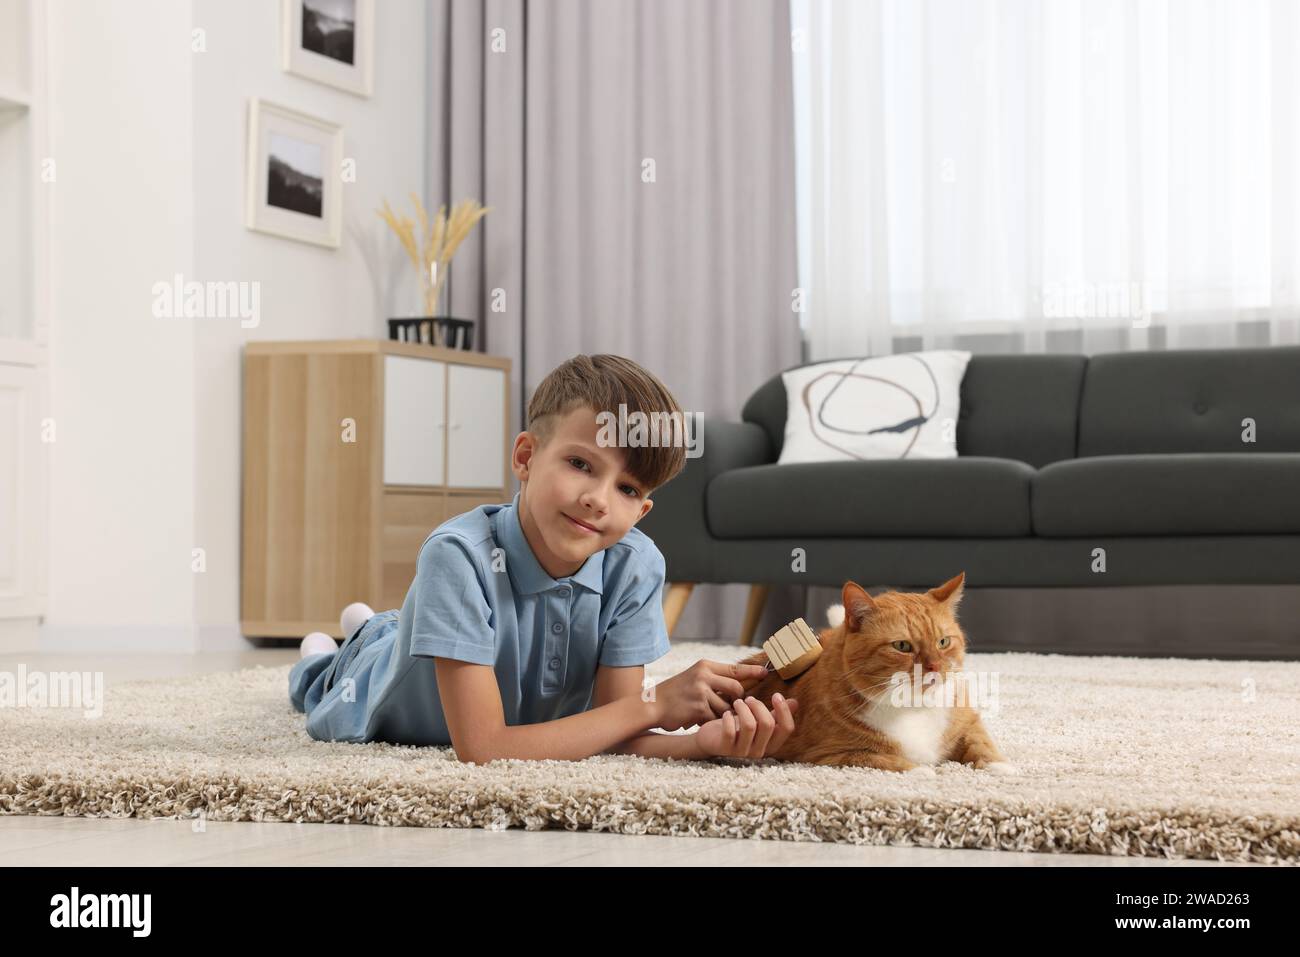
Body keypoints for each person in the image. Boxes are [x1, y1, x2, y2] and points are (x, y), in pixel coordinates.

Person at [289, 354, 798, 762]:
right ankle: (336, 647)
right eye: (580, 464)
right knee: (332, 671)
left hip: (445, 634)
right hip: (380, 684)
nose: (598, 499)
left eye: (626, 488)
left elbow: (613, 729)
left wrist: (699, 745)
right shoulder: (457, 557)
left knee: (394, 625)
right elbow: (483, 749)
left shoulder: (637, 567)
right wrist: (655, 703)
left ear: (641, 512)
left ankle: (378, 623)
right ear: (526, 457)